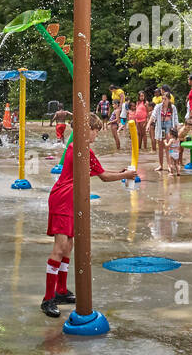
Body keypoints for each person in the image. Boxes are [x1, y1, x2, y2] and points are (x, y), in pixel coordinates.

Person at [41, 114, 134, 317]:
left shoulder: (79, 149)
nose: (97, 135)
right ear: (87, 130)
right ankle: (48, 298)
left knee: (69, 245)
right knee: (59, 248)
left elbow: (100, 170)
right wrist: (125, 175)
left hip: (70, 200)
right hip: (63, 200)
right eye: (96, 131)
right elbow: (104, 177)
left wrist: (119, 172)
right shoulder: (80, 150)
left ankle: (62, 290)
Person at [151, 86, 178, 172]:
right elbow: (153, 116)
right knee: (160, 146)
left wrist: (176, 129)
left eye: (165, 99)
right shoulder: (158, 106)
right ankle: (161, 165)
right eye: (162, 99)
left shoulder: (173, 107)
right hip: (160, 126)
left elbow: (175, 119)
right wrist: (148, 125)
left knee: (168, 146)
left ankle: (169, 165)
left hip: (169, 126)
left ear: (169, 99)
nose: (163, 101)